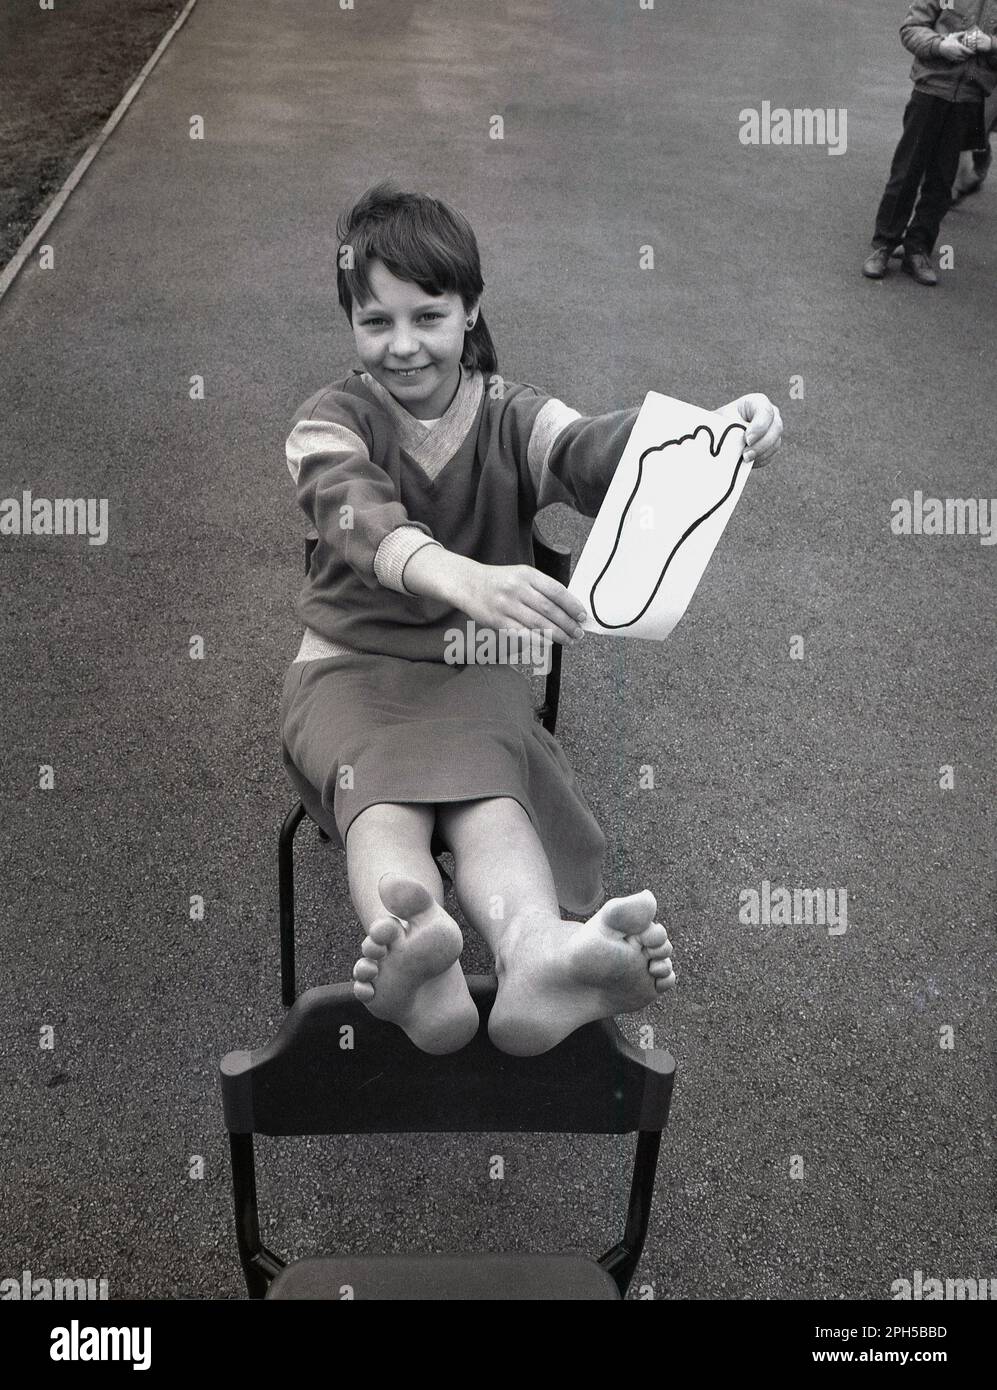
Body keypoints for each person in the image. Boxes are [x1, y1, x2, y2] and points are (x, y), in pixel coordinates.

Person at [279, 182, 783, 1057]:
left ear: (470, 311)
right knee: (378, 798)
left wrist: (710, 433)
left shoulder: (511, 410)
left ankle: (536, 955)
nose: (402, 346)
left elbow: (591, 452)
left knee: (491, 800)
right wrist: (460, 576)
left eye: (428, 317)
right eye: (375, 322)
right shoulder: (329, 421)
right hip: (348, 667)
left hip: (474, 665)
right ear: (351, 325)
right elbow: (351, 510)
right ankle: (420, 961)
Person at [863, 2, 997, 285]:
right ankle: (884, 245)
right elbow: (911, 29)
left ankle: (918, 249)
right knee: (906, 172)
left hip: (969, 99)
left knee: (942, 180)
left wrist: (991, 43)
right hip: (930, 90)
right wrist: (940, 46)